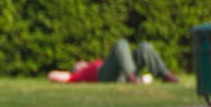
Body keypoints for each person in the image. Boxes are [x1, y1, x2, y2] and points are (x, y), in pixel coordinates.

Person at [47, 39, 178, 84]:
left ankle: (164, 74)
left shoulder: (96, 62)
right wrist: (72, 73)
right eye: (78, 63)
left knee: (144, 47)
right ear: (77, 69)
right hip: (105, 76)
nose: (81, 61)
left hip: (121, 72)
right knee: (121, 44)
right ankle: (131, 76)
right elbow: (52, 75)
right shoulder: (79, 74)